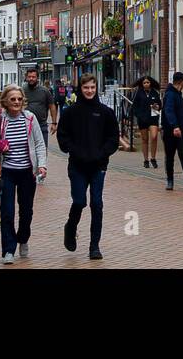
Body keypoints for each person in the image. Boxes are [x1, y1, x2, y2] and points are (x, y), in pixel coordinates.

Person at [57, 74, 119, 261]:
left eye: (92, 87)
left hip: (98, 165)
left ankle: (94, 246)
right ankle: (71, 227)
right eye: (86, 88)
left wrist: (102, 153)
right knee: (79, 202)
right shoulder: (70, 112)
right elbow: (62, 136)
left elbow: (113, 138)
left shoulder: (106, 112)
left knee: (97, 204)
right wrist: (74, 150)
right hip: (77, 165)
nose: (90, 91)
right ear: (80, 89)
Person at [0, 85, 47, 264]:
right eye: (12, 99)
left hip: (27, 172)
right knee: (7, 212)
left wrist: (42, 165)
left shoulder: (30, 118)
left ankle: (23, 238)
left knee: (26, 211)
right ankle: (8, 250)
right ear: (5, 101)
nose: (16, 102)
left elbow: (39, 143)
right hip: (7, 172)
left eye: (19, 99)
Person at [131, 76, 162, 169]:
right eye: (144, 83)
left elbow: (160, 104)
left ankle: (153, 158)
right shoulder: (138, 93)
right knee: (144, 139)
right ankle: (146, 160)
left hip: (153, 118)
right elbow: (134, 106)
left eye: (148, 82)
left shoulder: (155, 93)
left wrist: (157, 106)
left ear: (151, 83)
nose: (146, 84)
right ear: (142, 84)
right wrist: (139, 115)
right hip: (142, 119)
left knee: (154, 136)